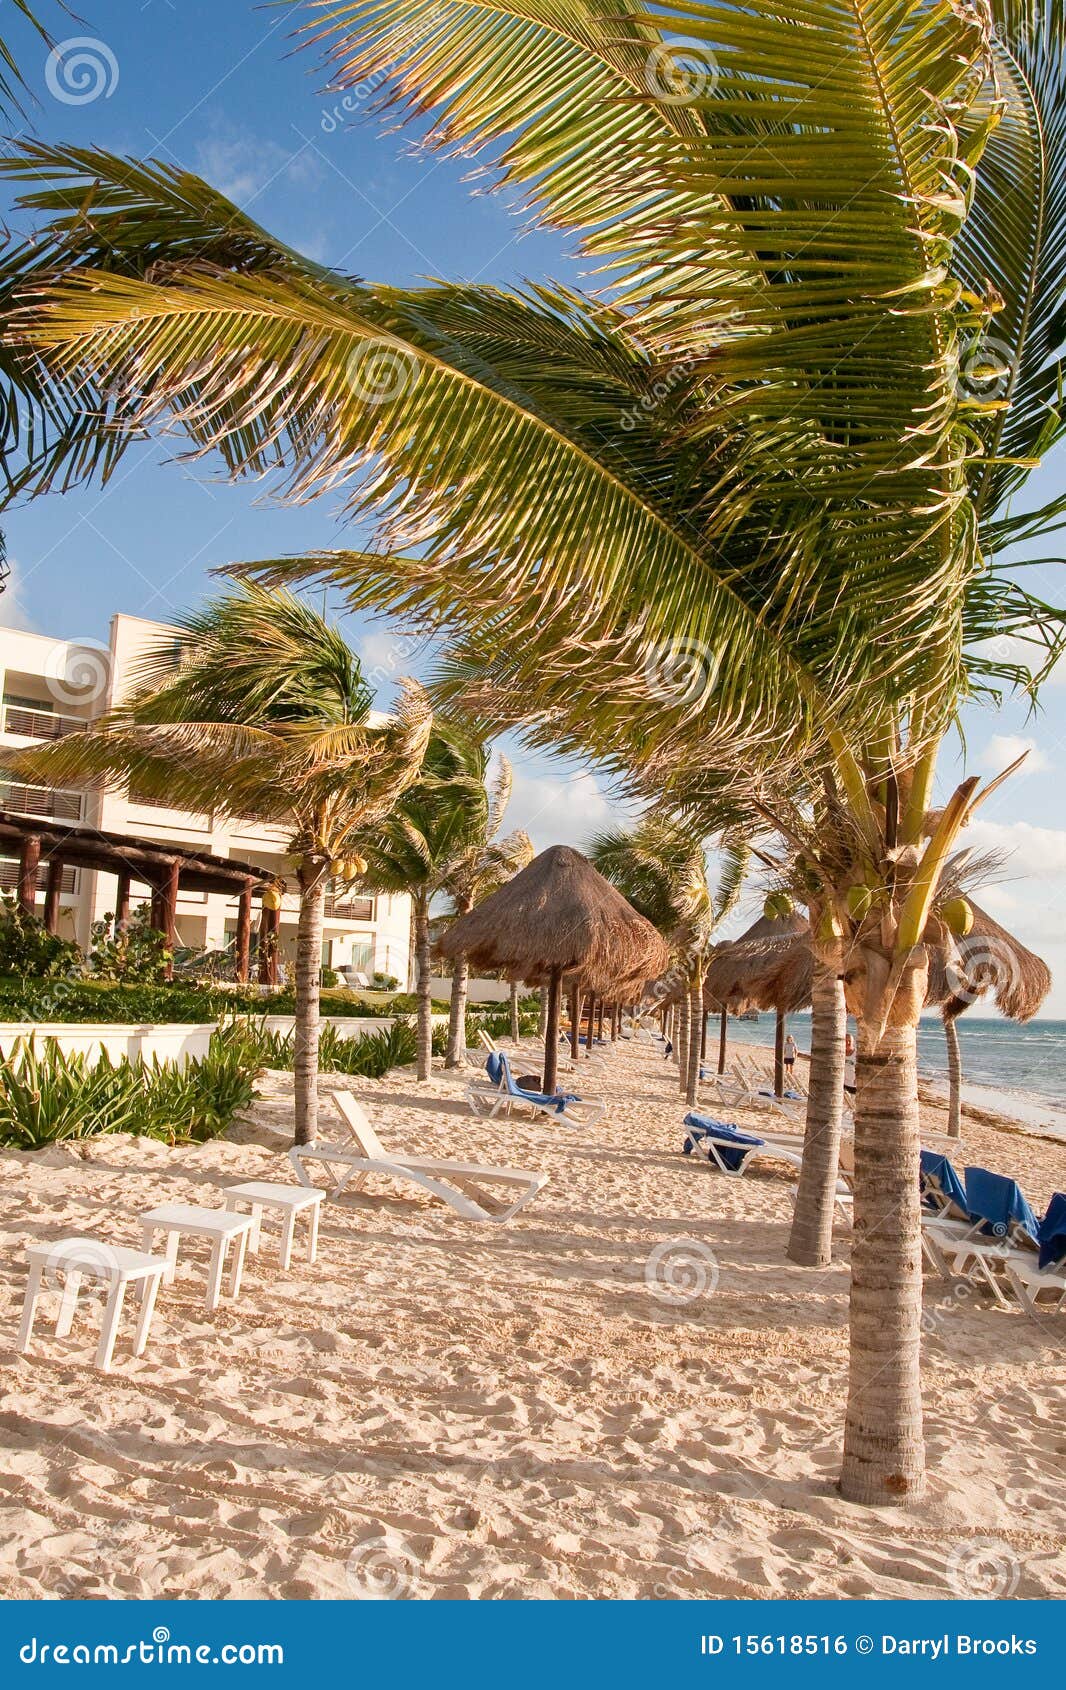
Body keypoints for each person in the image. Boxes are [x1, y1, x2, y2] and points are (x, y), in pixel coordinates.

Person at [844, 1031, 857, 1095]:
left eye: (849, 1041)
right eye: (845, 1041)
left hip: (854, 1085)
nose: (847, 1043)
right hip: (843, 1084)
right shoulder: (840, 1053)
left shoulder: (857, 1054)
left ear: (853, 1042)